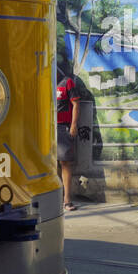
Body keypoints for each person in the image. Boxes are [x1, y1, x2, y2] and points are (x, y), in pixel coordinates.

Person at [56, 71, 81, 211]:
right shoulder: (44, 82)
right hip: (47, 127)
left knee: (64, 163)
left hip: (63, 127)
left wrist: (73, 124)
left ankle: (67, 200)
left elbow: (76, 104)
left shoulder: (67, 82)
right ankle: (52, 198)